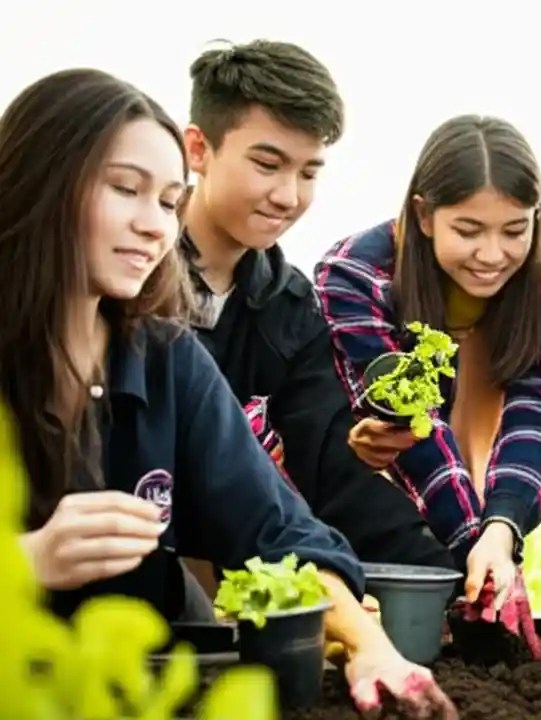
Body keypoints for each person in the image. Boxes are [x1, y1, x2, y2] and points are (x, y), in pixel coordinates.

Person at [0, 68, 457, 718]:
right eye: (125, 189)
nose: (155, 225)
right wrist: (26, 562)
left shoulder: (167, 361)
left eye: (166, 201)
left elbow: (276, 528)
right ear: (40, 181)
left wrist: (368, 644)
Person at [177, 40, 457, 585]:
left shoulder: (289, 306)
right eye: (267, 164)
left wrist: (443, 572)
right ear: (198, 149)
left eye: (309, 172)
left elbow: (332, 466)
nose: (289, 195)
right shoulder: (127, 280)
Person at [314, 114, 541, 654]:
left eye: (515, 230)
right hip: (377, 494)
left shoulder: (539, 294)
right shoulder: (356, 276)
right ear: (425, 216)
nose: (493, 254)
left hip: (476, 483)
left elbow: (534, 417)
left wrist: (502, 531)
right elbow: (412, 430)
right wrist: (476, 545)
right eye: (468, 231)